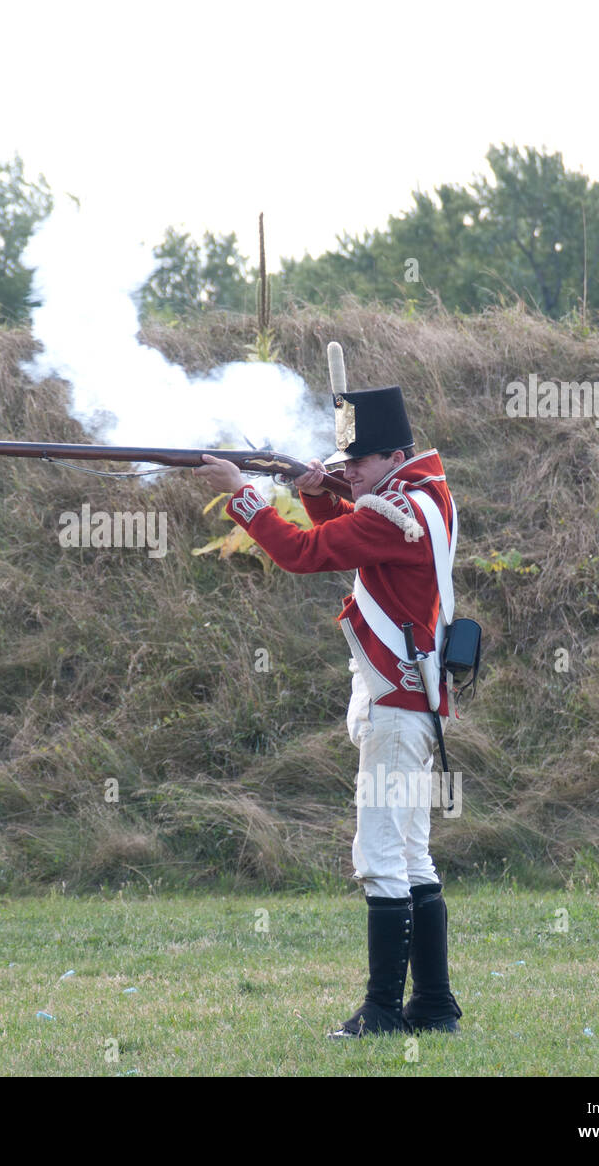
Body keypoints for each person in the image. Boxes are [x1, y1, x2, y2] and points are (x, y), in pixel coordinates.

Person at [195, 383, 463, 1037]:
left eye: (359, 465)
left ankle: (380, 1012)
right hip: (413, 697)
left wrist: (242, 494)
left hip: (397, 704)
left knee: (379, 857)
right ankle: (430, 1005)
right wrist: (317, 492)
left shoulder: (390, 511)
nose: (350, 474)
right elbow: (347, 536)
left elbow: (304, 554)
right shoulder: (425, 496)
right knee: (410, 855)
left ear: (393, 456)